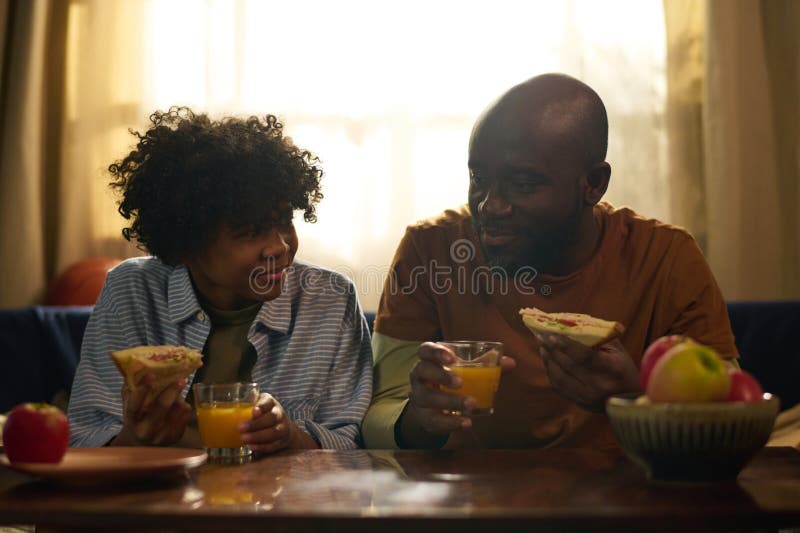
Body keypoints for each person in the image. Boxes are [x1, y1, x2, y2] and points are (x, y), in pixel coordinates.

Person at [361, 73, 737, 450]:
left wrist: (635, 397)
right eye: (479, 178)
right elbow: (377, 417)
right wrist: (419, 419)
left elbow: (730, 418)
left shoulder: (666, 258)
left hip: (625, 484)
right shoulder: (429, 250)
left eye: (523, 184)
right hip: (469, 486)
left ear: (594, 183)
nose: (489, 206)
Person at [68, 107, 372, 452]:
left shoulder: (331, 298)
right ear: (188, 244)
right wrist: (135, 440)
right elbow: (85, 438)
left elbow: (350, 444)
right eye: (251, 232)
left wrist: (292, 437)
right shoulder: (132, 291)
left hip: (279, 488)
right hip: (161, 485)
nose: (280, 246)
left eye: (285, 220)